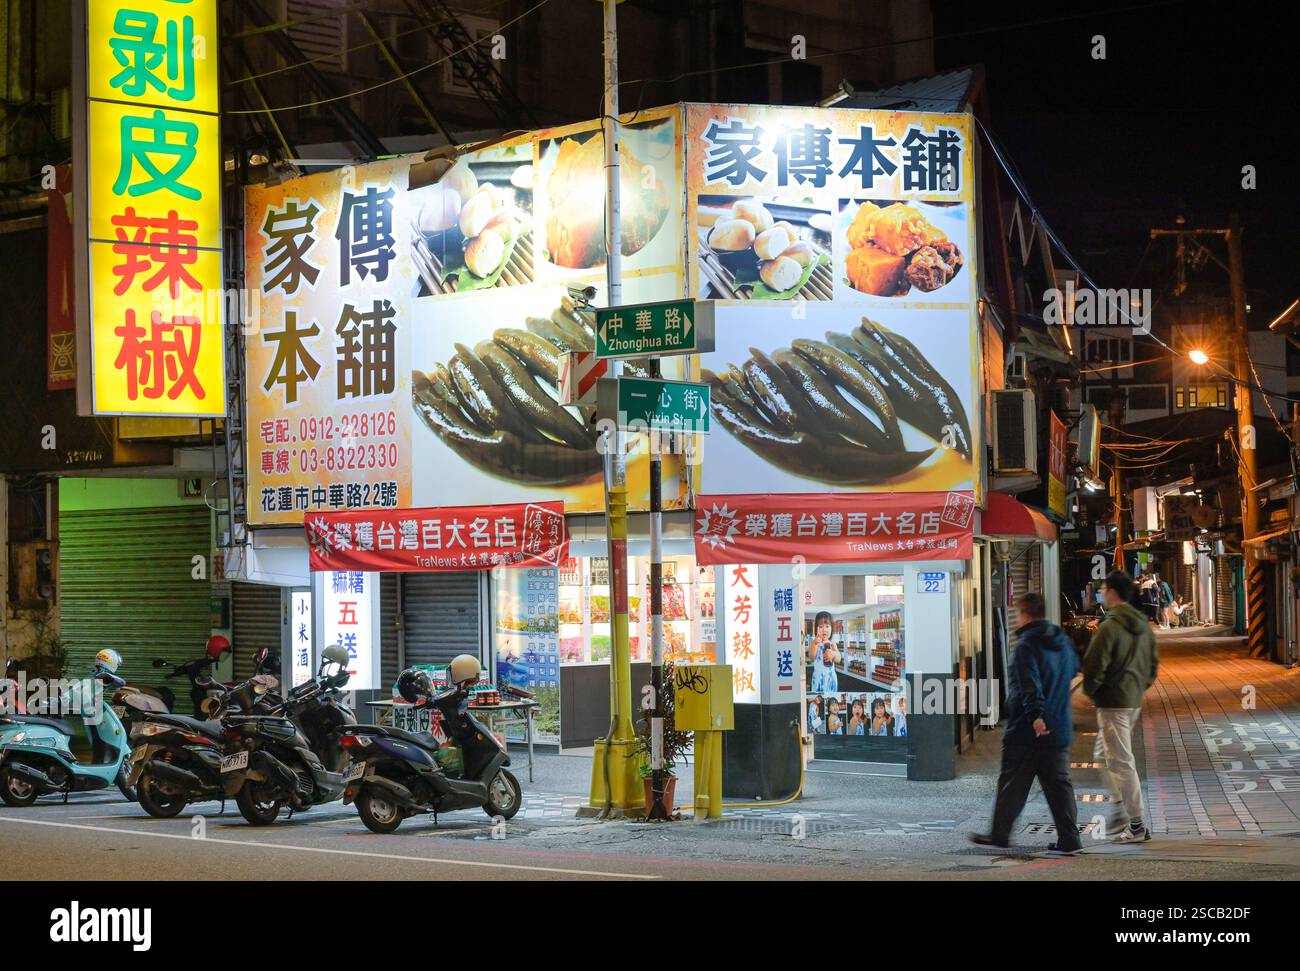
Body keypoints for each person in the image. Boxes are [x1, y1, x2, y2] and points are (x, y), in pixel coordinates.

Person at [970, 591, 1082, 855]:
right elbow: (1075, 668)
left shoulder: (1026, 646)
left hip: (1027, 729)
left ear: (1024, 614)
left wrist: (1036, 717)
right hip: (1059, 726)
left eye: (1018, 614)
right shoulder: (1063, 641)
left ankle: (1000, 835)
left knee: (1012, 784)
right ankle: (1070, 839)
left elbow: (1029, 684)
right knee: (1059, 786)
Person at [1083, 570, 1159, 842]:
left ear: (1113, 592)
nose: (1102, 593)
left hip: (1114, 703)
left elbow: (1094, 665)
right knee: (1104, 755)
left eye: (1104, 588)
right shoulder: (1142, 625)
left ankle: (1136, 824)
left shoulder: (1110, 626)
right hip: (1131, 700)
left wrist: (1091, 691)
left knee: (1121, 762)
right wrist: (1137, 688)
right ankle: (1119, 809)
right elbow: (1153, 667)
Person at [807, 611, 841, 694]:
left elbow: (839, 659)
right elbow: (811, 657)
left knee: (830, 697)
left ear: (831, 628)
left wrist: (834, 655)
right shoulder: (814, 643)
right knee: (818, 698)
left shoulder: (832, 644)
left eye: (827, 626)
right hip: (818, 678)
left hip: (830, 678)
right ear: (816, 629)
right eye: (821, 627)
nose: (824, 630)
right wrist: (815, 644)